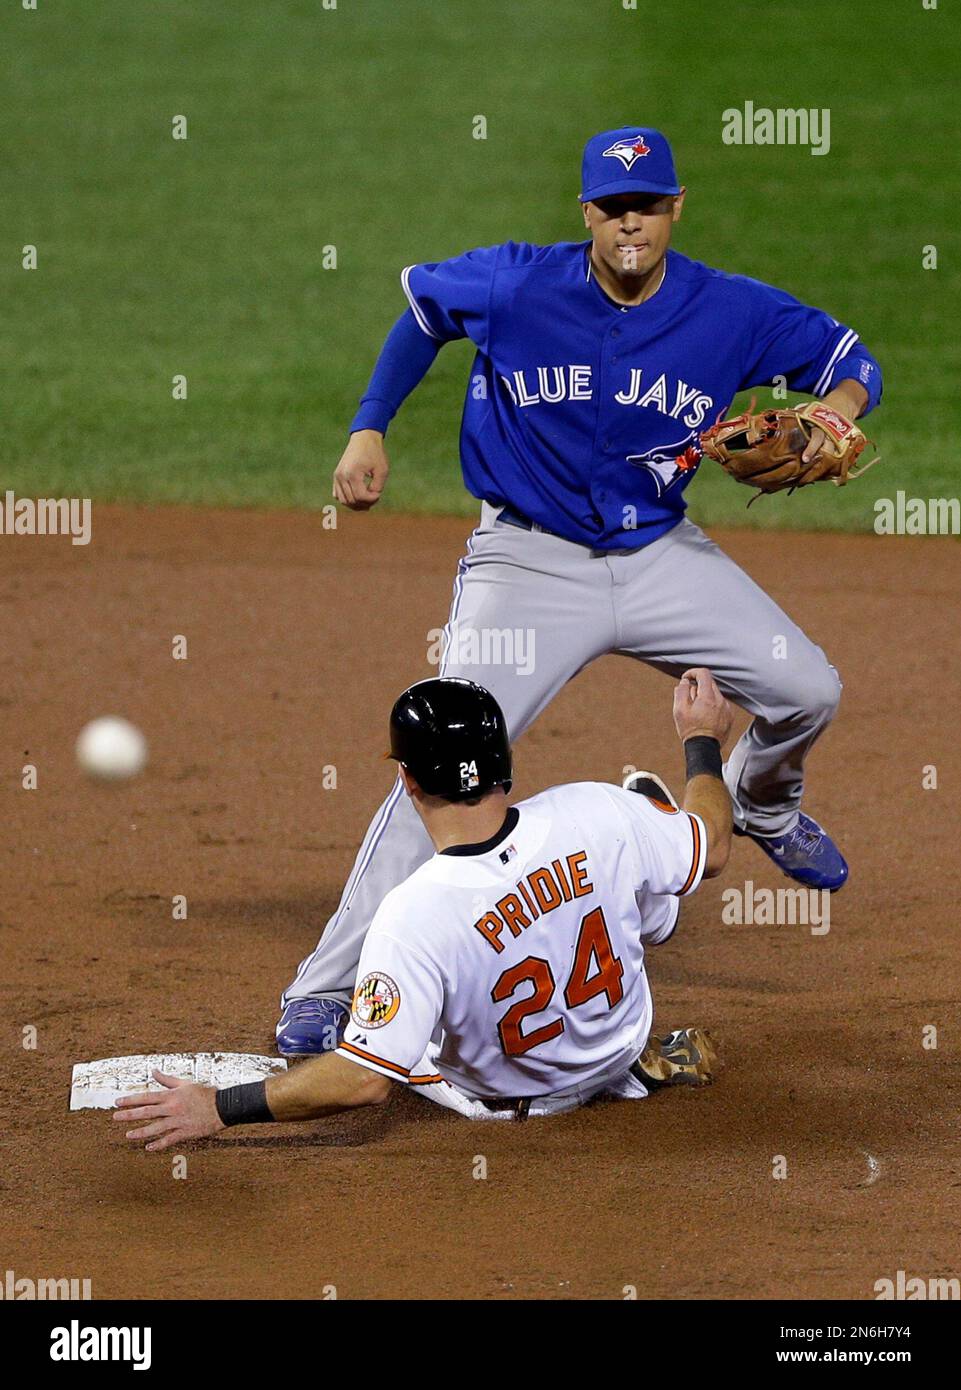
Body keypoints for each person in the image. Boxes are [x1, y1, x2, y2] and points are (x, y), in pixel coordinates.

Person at [276, 124, 882, 1055]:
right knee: (448, 752)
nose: (629, 224)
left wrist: (831, 411)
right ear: (586, 212)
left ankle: (763, 801)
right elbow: (422, 314)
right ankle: (326, 987)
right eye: (612, 207)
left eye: (646, 206)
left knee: (807, 689)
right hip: (527, 565)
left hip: (658, 554)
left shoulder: (733, 310)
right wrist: (369, 428)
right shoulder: (517, 282)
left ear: (675, 207)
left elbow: (850, 358)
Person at [115, 670, 734, 1149]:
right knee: (644, 830)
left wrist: (218, 1109)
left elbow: (363, 1082)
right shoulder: (596, 809)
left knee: (379, 1040)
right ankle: (653, 911)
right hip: (616, 1051)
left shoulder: (411, 913)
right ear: (505, 765)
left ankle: (643, 908)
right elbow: (714, 844)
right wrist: (702, 738)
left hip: (515, 1102)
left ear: (408, 781)